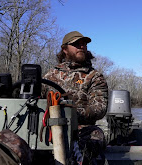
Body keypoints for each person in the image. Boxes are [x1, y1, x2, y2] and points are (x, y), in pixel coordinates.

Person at [43, 31, 108, 164]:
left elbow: (100, 108)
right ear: (65, 49)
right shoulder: (50, 75)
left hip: (81, 129)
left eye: (84, 44)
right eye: (76, 44)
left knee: (95, 136)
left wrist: (70, 111)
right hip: (49, 127)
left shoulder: (94, 76)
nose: (82, 46)